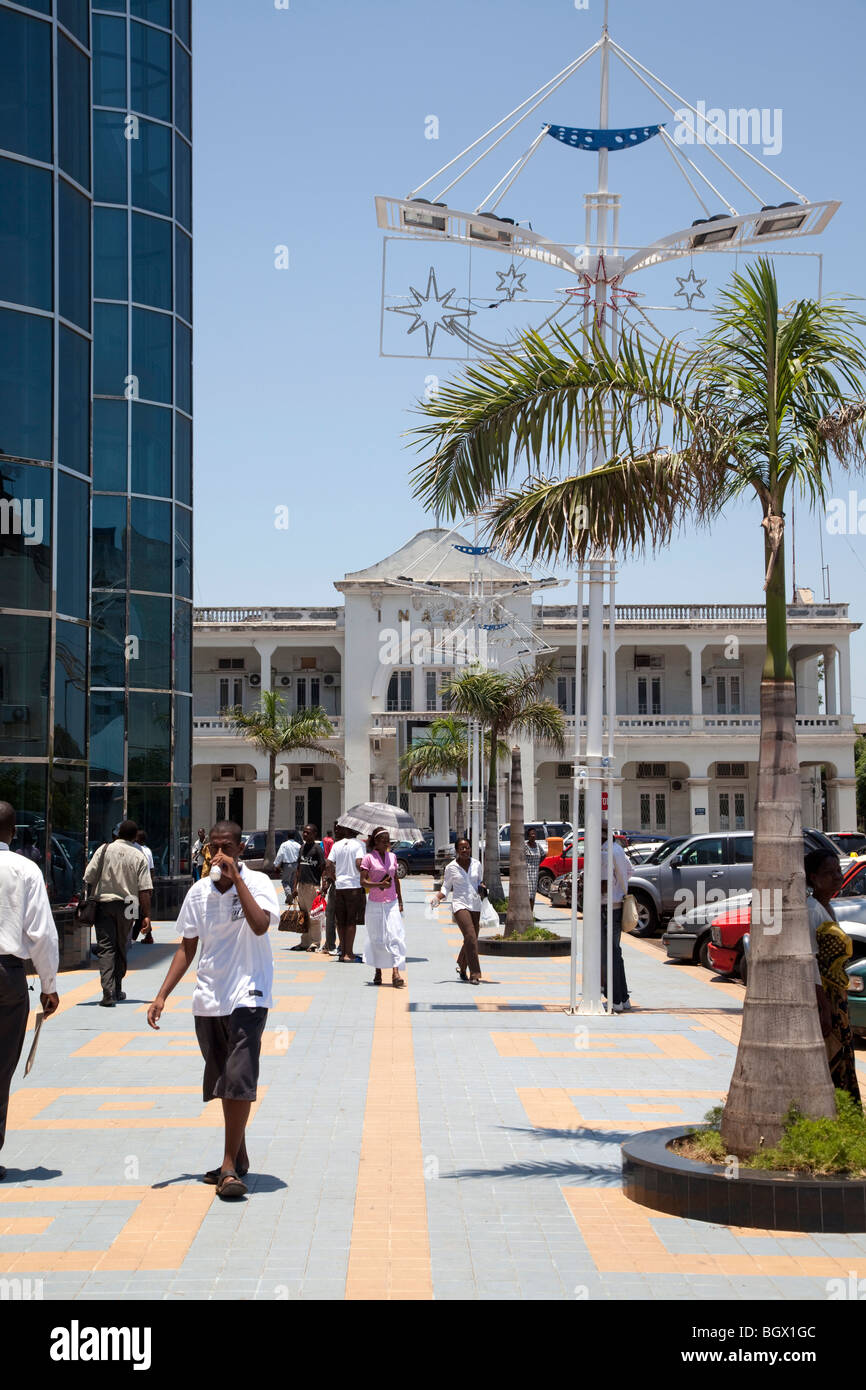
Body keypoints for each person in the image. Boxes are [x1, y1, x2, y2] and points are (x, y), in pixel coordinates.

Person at [146, 820, 279, 1199]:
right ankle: (239, 1156)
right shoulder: (199, 892)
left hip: (248, 996)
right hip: (209, 998)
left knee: (238, 1078)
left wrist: (238, 880)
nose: (219, 854)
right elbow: (187, 947)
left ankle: (227, 1168)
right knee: (223, 1080)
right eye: (214, 848)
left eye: (227, 847)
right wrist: (162, 994)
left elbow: (259, 926)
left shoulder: (258, 884)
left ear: (240, 848)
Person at [0, 803, 59, 1180]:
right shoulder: (25, 869)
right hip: (7, 976)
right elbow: (42, 934)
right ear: (13, 832)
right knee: (1, 1066)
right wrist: (49, 987)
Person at [805, 850, 861, 1105]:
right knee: (832, 1055)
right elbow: (811, 962)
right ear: (814, 878)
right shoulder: (812, 910)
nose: (838, 877)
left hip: (838, 995)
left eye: (838, 871)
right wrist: (824, 1006)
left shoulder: (828, 906)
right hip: (826, 996)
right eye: (830, 873)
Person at [83, 821, 152, 1006]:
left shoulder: (104, 850)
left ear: (118, 833)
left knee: (106, 948)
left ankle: (108, 991)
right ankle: (118, 987)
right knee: (122, 945)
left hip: (105, 902)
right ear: (135, 836)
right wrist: (146, 915)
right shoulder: (139, 856)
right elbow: (144, 890)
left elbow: (88, 876)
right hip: (130, 904)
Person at [431, 837, 486, 985]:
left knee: (470, 939)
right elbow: (446, 887)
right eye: (461, 848)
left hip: (475, 905)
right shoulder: (451, 867)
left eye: (467, 847)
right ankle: (474, 974)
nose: (464, 850)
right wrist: (437, 898)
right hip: (459, 905)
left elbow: (479, 881)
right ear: (456, 851)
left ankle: (462, 966)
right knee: (470, 935)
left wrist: (483, 887)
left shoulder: (477, 864)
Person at [360, 828, 406, 987]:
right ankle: (378, 971)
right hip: (374, 903)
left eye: (388, 839)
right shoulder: (368, 858)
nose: (387, 842)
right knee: (377, 938)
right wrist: (380, 884)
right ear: (376, 842)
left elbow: (395, 879)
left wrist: (400, 900)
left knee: (395, 935)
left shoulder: (392, 856)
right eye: (384, 840)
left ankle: (396, 973)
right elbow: (363, 882)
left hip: (391, 902)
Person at [600, 823, 631, 1013]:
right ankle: (623, 997)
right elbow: (629, 871)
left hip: (606, 906)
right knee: (615, 953)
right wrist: (621, 888)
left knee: (608, 955)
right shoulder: (618, 849)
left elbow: (603, 883)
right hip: (617, 904)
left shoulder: (605, 853)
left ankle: (616, 999)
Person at [324, 824, 367, 961]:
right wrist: (366, 871)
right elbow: (359, 863)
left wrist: (333, 877)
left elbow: (328, 863)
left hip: (339, 886)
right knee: (351, 920)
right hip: (353, 886)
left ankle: (342, 953)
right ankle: (349, 953)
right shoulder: (360, 844)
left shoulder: (337, 845)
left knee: (340, 920)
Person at [291, 824, 326, 952]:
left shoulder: (317, 849)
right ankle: (304, 942)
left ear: (314, 834)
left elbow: (323, 869)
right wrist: (294, 887)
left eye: (308, 833)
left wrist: (323, 887)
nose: (305, 835)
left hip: (313, 886)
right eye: (304, 832)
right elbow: (298, 869)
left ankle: (315, 943)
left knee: (314, 916)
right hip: (302, 886)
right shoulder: (302, 848)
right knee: (303, 916)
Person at [133, 831, 156, 943]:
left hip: (137, 885)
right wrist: (151, 886)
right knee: (143, 911)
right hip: (146, 884)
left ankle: (132, 936)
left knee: (138, 912)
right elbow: (152, 870)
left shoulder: (134, 848)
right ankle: (148, 935)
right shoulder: (148, 850)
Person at [273, 834, 300, 902]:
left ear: (287, 837)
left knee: (285, 881)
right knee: (292, 881)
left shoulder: (284, 845)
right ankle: (290, 898)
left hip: (287, 865)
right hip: (296, 865)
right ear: (294, 837)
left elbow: (280, 854)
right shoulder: (298, 845)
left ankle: (288, 894)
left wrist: (276, 865)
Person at [525, 826, 542, 913]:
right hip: (527, 873)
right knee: (528, 895)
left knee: (533, 894)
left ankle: (531, 912)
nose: (533, 835)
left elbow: (543, 855)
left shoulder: (538, 846)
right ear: (528, 836)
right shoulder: (525, 846)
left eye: (534, 834)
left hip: (535, 874)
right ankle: (527, 913)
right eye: (531, 834)